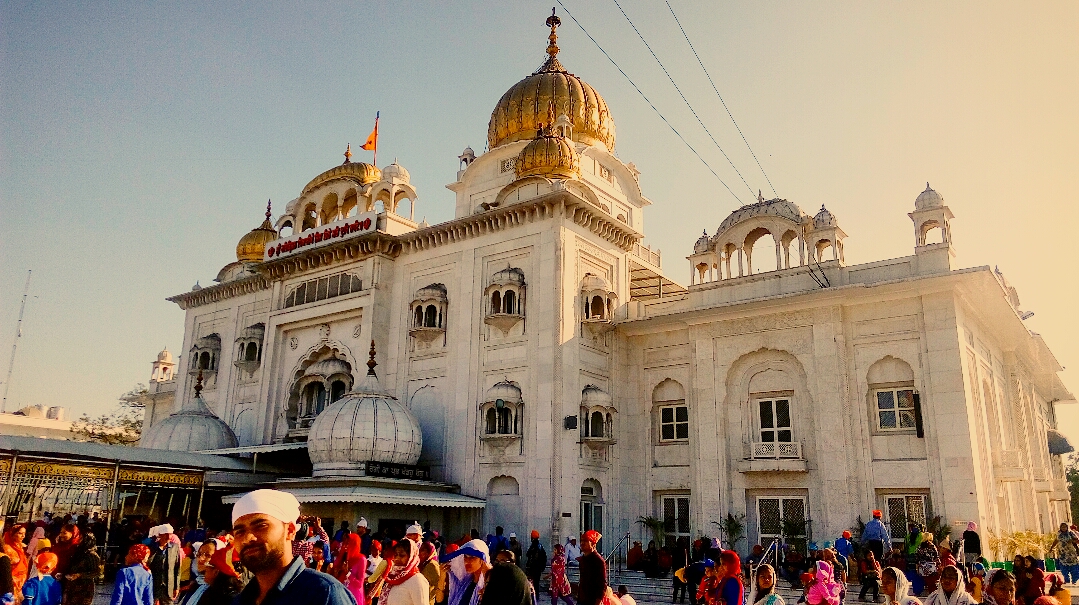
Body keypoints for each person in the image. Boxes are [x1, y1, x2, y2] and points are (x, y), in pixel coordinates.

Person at [231, 489, 356, 605]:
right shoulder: (241, 599)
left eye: (261, 526)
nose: (248, 538)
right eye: (239, 531)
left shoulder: (324, 594)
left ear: (290, 531)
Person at [439, 539, 491, 605]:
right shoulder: (463, 582)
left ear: (482, 560)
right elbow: (439, 601)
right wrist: (441, 577)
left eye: (472, 557)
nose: (466, 561)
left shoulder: (489, 585)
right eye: (465, 557)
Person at [380, 540, 430, 605]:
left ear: (411, 557)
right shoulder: (393, 578)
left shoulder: (417, 580)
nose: (397, 558)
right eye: (395, 555)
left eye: (402, 555)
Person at [149, 525, 183, 605]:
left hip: (168, 586)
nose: (168, 536)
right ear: (160, 535)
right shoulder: (153, 547)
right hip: (154, 585)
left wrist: (176, 587)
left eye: (170, 534)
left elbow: (177, 568)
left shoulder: (175, 547)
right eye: (166, 534)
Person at [64, 532, 100, 605]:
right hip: (73, 586)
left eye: (81, 539)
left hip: (85, 588)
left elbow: (96, 572)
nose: (78, 541)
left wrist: (80, 575)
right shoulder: (80, 552)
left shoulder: (92, 555)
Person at [578, 530, 607, 605]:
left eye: (586, 541)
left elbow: (602, 584)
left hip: (592, 600)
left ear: (593, 544)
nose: (582, 543)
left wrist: (598, 600)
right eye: (581, 541)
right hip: (582, 599)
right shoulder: (583, 559)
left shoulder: (598, 561)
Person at [340, 533, 367, 604]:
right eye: (345, 543)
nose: (345, 546)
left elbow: (359, 584)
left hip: (355, 596)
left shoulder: (362, 559)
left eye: (348, 544)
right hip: (344, 594)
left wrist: (348, 574)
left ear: (354, 544)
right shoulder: (347, 557)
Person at [2, 524, 27, 600]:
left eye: (24, 533)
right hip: (11, 583)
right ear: (12, 534)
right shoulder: (6, 548)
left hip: (20, 584)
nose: (23, 536)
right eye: (20, 533)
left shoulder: (20, 547)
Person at [365, 540, 389, 604]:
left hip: (378, 583)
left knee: (376, 598)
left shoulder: (382, 561)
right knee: (368, 599)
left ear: (380, 552)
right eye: (373, 550)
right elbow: (364, 570)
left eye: (376, 550)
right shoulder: (368, 560)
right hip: (369, 582)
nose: (375, 552)